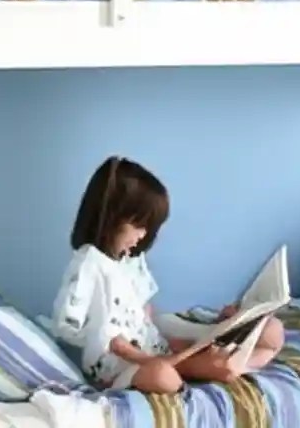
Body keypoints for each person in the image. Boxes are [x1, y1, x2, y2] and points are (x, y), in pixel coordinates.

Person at [51, 156, 285, 394]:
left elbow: (147, 317)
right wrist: (120, 345)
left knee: (273, 332)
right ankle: (209, 368)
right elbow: (69, 328)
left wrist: (217, 327)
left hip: (156, 349)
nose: (142, 236)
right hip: (122, 367)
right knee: (162, 376)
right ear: (111, 218)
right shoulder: (89, 263)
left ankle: (221, 364)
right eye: (138, 226)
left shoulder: (129, 261)